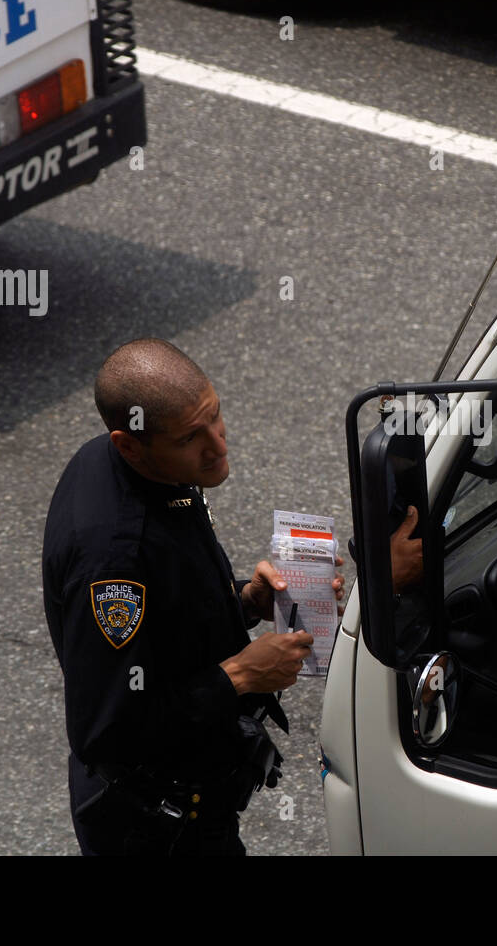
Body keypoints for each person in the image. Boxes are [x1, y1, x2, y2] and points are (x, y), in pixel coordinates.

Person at [42, 338, 344, 855]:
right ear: (129, 444)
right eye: (190, 438)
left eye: (216, 417)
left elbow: (174, 604)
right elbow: (108, 731)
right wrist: (242, 674)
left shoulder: (146, 468)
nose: (219, 446)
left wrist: (248, 600)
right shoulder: (114, 563)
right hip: (155, 827)